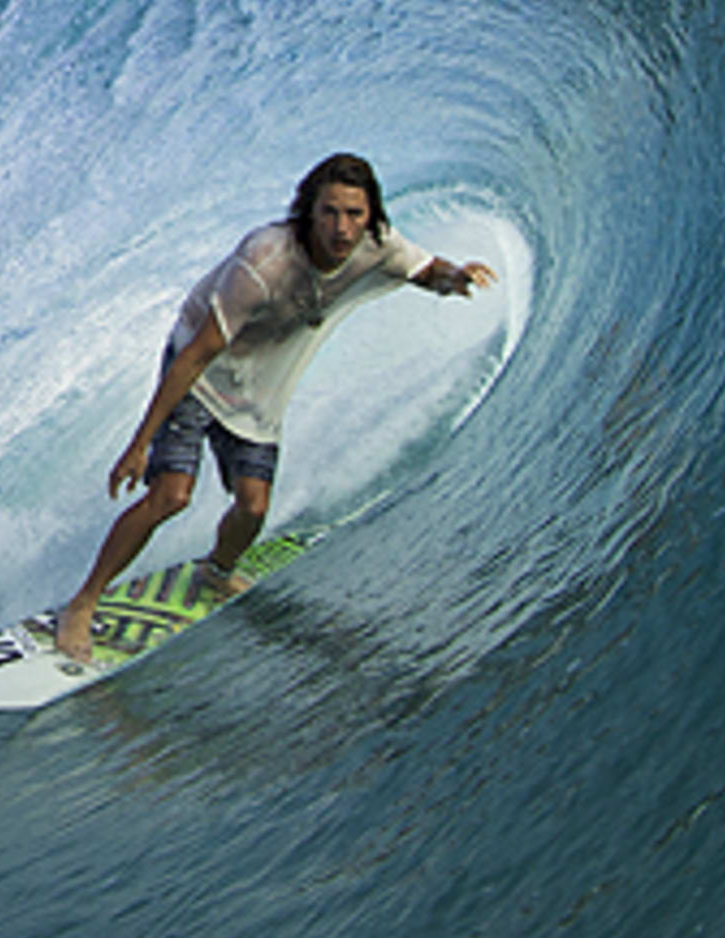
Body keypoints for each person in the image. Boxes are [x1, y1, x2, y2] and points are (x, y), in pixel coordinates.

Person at [48, 153, 493, 662]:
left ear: (371, 214)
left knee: (254, 506)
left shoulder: (377, 245)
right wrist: (141, 442)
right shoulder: (264, 262)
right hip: (199, 369)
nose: (342, 228)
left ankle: (215, 572)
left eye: (354, 213)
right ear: (309, 211)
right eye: (329, 212)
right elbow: (197, 354)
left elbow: (425, 269)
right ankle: (83, 603)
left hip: (258, 384)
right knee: (171, 496)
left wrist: (456, 279)